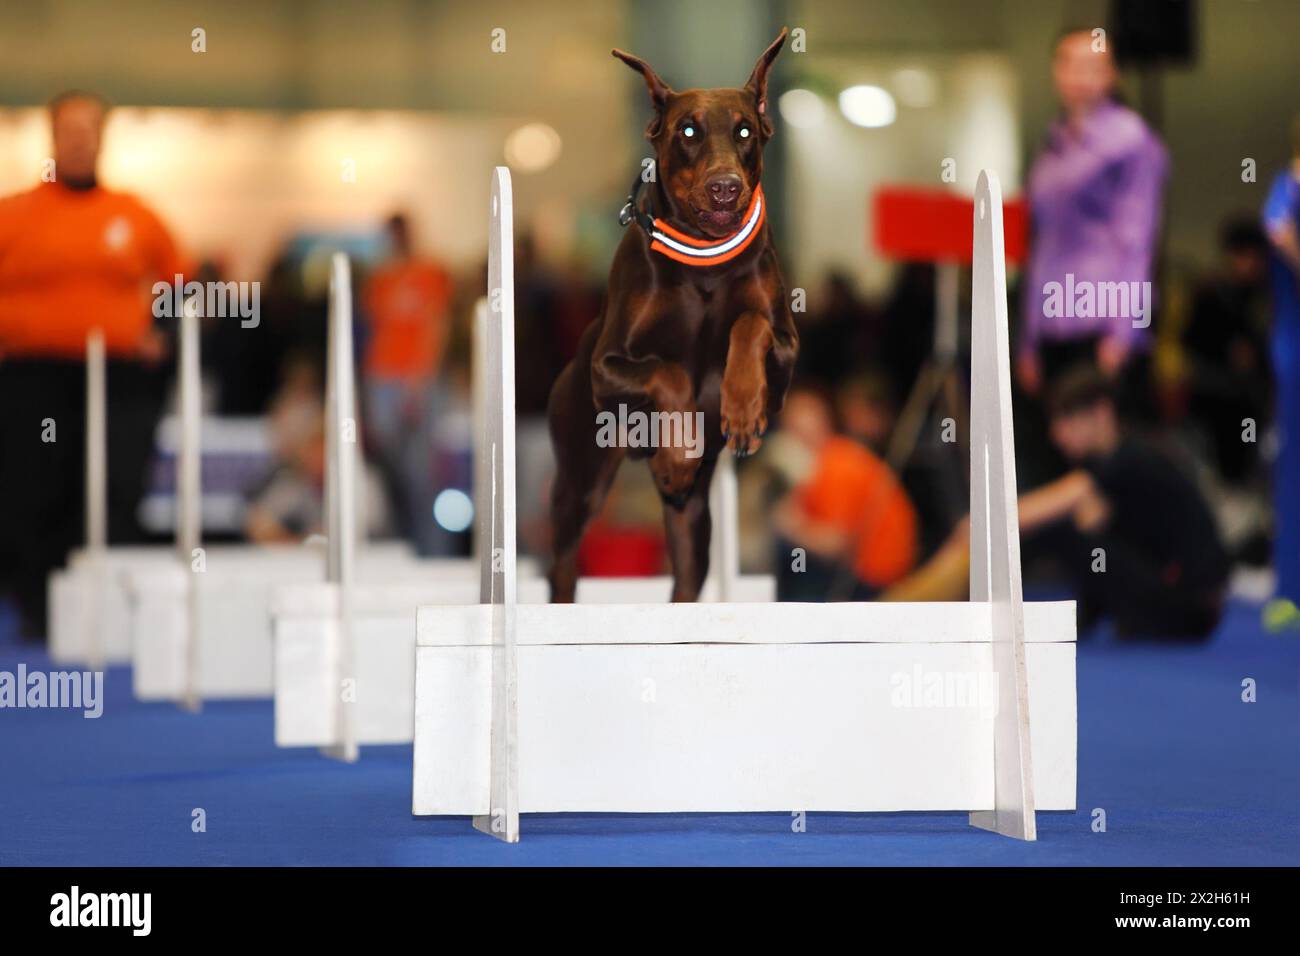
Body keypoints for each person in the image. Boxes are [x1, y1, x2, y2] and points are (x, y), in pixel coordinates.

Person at [0, 90, 187, 641]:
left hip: (117, 380)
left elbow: (182, 280)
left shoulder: (134, 215)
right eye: (69, 130)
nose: (80, 140)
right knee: (36, 490)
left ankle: (114, 614)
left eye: (89, 129)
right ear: (52, 137)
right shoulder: (16, 215)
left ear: (103, 137)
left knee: (116, 489)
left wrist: (164, 332)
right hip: (35, 379)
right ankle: (40, 610)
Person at [887, 367, 1230, 641]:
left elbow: (1048, 507)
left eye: (1065, 421)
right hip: (1179, 598)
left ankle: (918, 607)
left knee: (1057, 529)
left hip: (1191, 609)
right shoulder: (1114, 463)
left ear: (1101, 413)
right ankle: (923, 605)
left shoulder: (1131, 458)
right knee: (1083, 528)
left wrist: (980, 524)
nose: (1057, 434)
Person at [1017, 28, 1168, 405]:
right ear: (1056, 72)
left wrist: (1124, 331)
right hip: (1054, 318)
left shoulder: (1130, 140)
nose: (1080, 76)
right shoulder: (1052, 143)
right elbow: (1041, 244)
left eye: (1093, 65)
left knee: (1103, 448)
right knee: (1055, 446)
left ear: (1112, 73)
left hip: (1101, 319)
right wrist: (1028, 338)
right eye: (1070, 64)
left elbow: (1137, 239)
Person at [361, 213, 454, 555]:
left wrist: (420, 378)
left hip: (415, 379)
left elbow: (436, 328)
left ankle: (432, 551)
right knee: (390, 468)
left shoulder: (428, 274)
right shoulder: (380, 278)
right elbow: (374, 329)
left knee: (422, 472)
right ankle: (400, 545)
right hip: (382, 376)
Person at [771, 387, 919, 601]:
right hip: (864, 572)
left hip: (877, 581)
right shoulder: (822, 464)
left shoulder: (837, 465)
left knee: (788, 556)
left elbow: (836, 544)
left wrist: (787, 526)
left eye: (802, 432)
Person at [1262, 115, 1300, 606]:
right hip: (1295, 355)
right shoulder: (1285, 190)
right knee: (1293, 467)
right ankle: (1291, 590)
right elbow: (1280, 235)